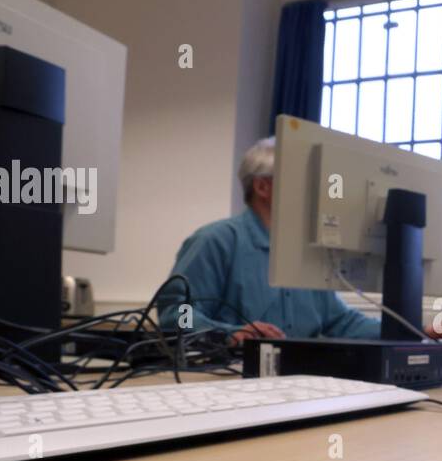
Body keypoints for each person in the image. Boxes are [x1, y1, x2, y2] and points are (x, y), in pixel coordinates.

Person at [158, 138, 380, 343]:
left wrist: (404, 331)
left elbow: (340, 321)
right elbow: (176, 314)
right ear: (263, 187)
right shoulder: (216, 241)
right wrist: (227, 332)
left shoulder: (309, 254)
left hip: (298, 376)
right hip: (230, 374)